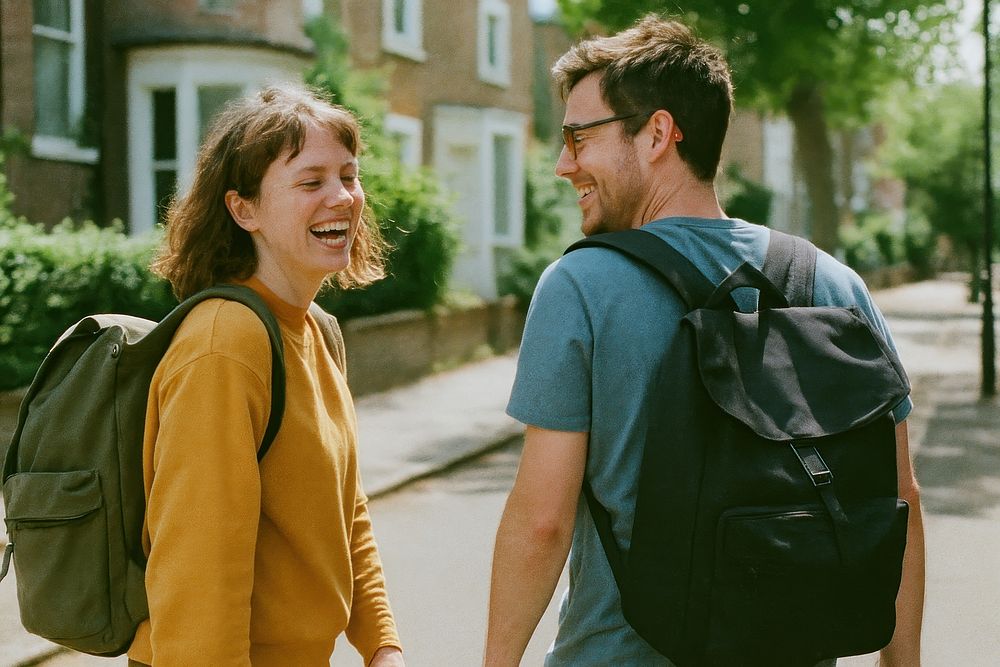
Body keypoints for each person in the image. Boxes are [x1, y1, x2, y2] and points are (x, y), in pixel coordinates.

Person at [484, 14, 925, 667]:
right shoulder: (835, 285)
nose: (562, 163)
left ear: (657, 132)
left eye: (579, 137)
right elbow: (901, 498)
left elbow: (542, 521)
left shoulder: (580, 285)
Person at [126, 84, 404, 667]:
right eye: (311, 182)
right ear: (243, 209)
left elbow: (344, 511)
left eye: (348, 176)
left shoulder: (316, 330)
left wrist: (381, 644)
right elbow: (197, 573)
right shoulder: (225, 346)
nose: (343, 198)